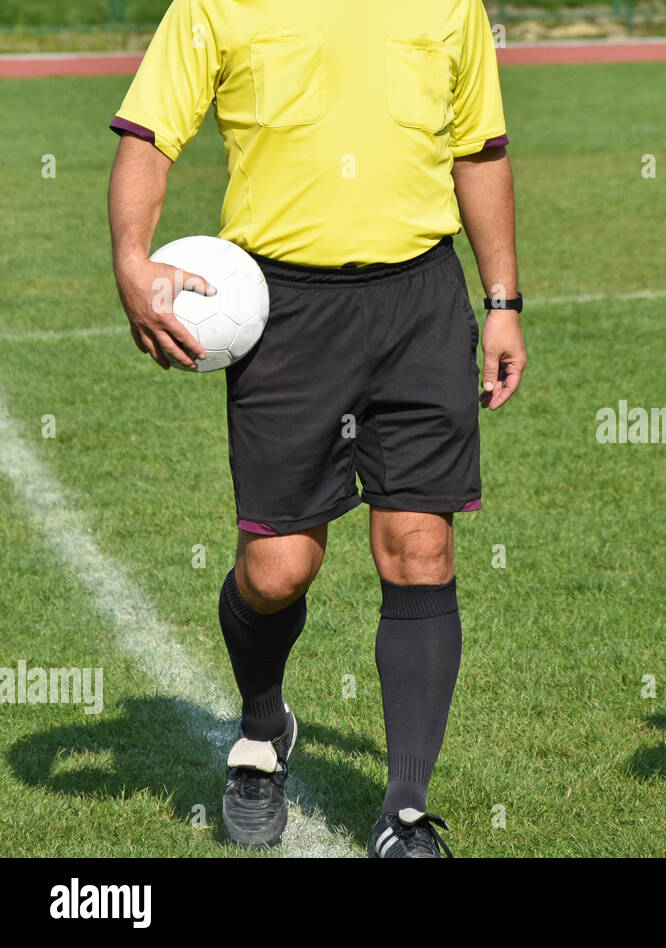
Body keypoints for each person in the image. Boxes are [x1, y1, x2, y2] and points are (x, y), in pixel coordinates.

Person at [107, 0, 525, 857]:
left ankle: (404, 811)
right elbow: (147, 135)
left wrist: (504, 301)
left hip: (419, 303)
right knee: (277, 569)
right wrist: (130, 257)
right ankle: (263, 733)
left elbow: (480, 148)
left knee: (421, 548)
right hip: (284, 313)